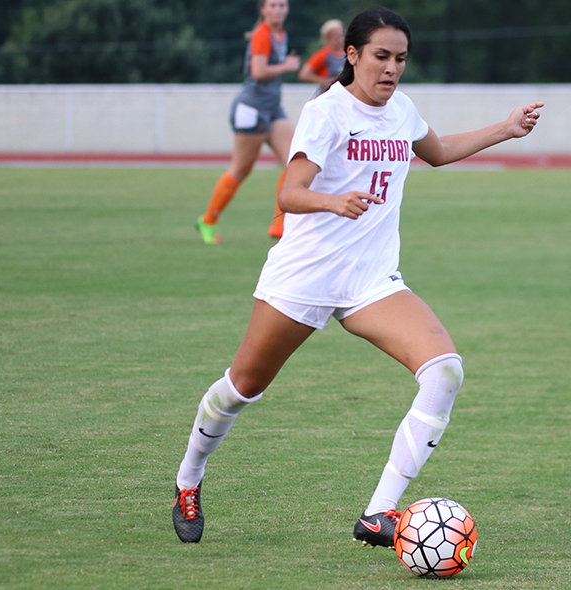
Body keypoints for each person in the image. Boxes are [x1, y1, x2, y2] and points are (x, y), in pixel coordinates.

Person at [172, 7, 543, 547]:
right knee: (242, 387)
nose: (391, 69)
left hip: (371, 280)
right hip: (306, 275)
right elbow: (288, 193)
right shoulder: (327, 112)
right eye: (381, 57)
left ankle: (378, 513)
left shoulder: (403, 110)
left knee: (444, 372)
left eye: (400, 59)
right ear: (352, 55)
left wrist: (505, 130)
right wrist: (332, 200)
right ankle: (188, 479)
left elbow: (436, 154)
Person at [196, 0, 300, 245]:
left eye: (282, 5)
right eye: (273, 5)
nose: (278, 10)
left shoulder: (281, 33)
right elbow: (258, 71)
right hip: (251, 110)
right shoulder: (262, 34)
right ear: (263, 9)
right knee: (241, 170)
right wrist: (286, 66)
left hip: (273, 110)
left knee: (296, 160)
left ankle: (279, 225)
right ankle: (208, 221)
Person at [264, 19, 348, 239]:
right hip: (329, 110)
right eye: (336, 34)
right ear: (328, 37)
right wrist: (325, 80)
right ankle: (284, 220)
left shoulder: (348, 54)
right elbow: (304, 73)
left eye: (342, 33)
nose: (340, 37)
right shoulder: (324, 55)